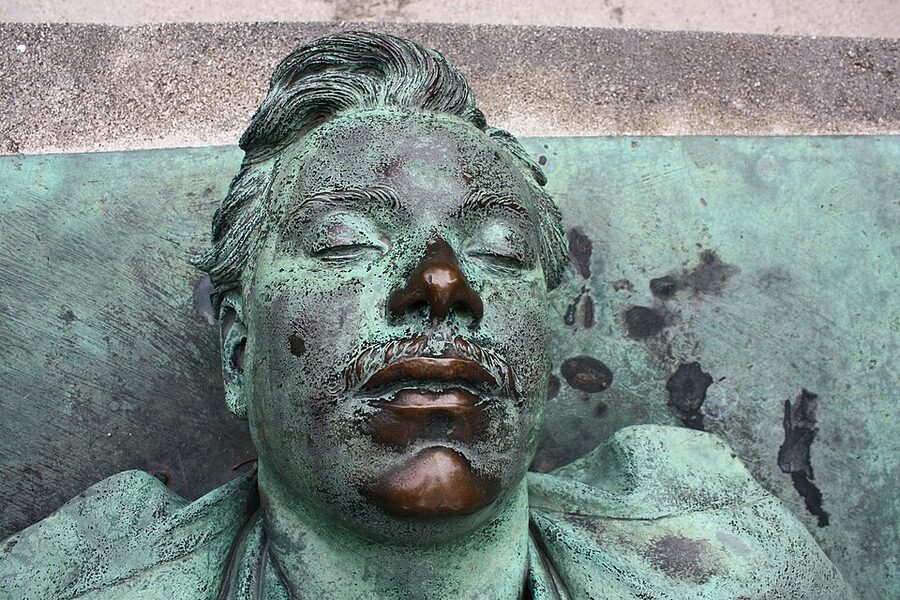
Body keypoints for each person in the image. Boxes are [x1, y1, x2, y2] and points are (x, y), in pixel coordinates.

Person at [0, 31, 853, 599]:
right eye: (343, 244)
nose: (443, 282)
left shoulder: (728, 572)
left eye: (501, 252)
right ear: (236, 351)